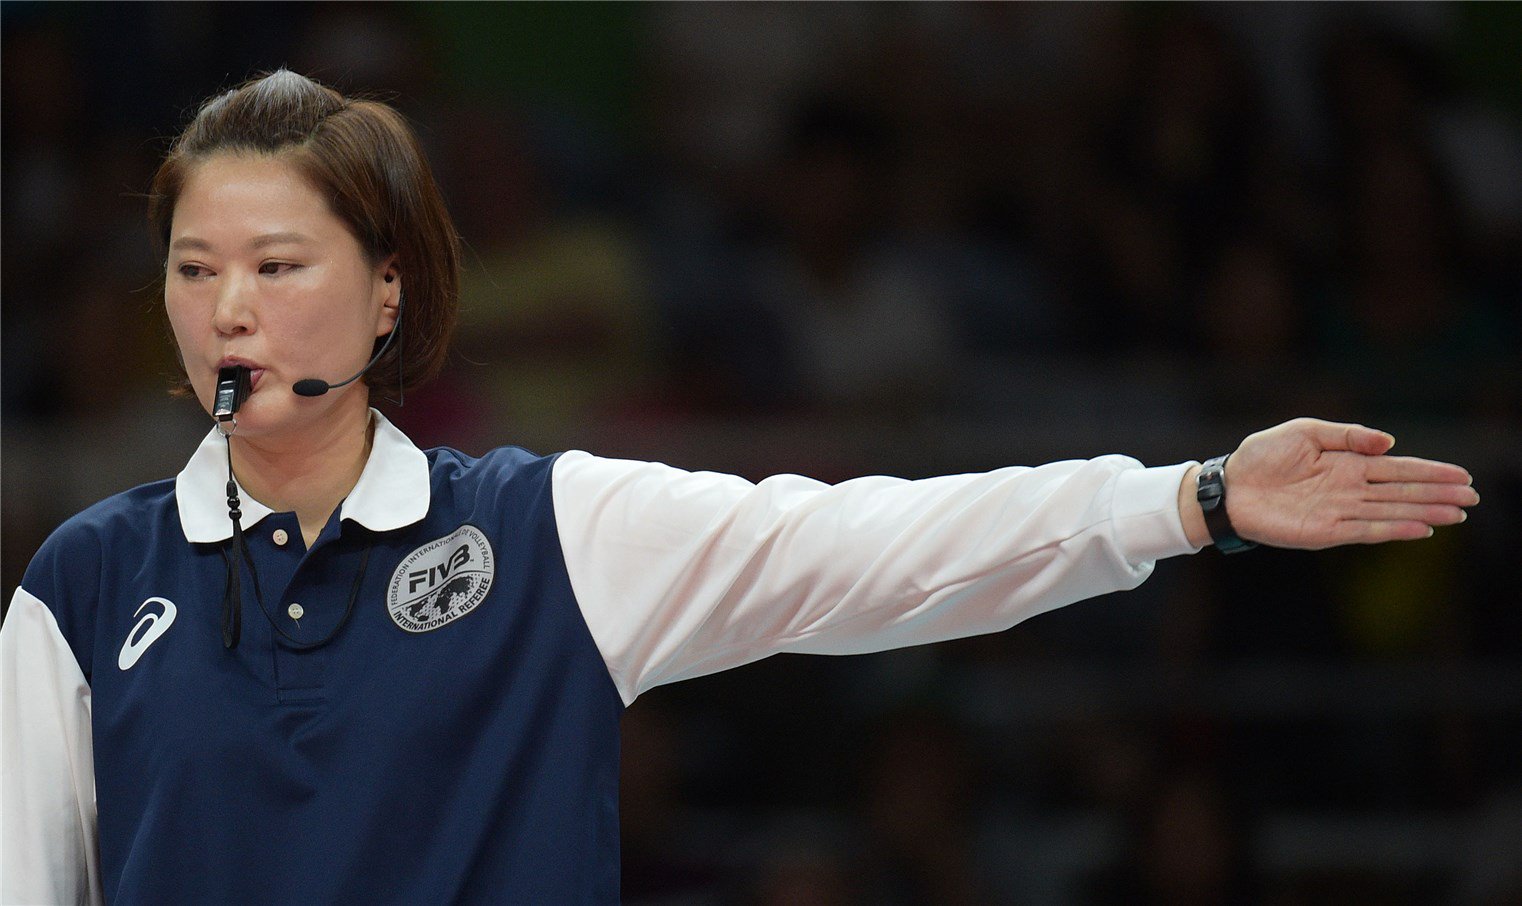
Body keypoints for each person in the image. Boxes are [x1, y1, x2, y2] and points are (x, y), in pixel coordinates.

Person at [0, 70, 1479, 906]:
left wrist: (1192, 494)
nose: (227, 311)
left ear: (389, 294)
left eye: (276, 266)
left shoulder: (549, 530)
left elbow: (869, 547)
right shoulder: (83, 581)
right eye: (194, 271)